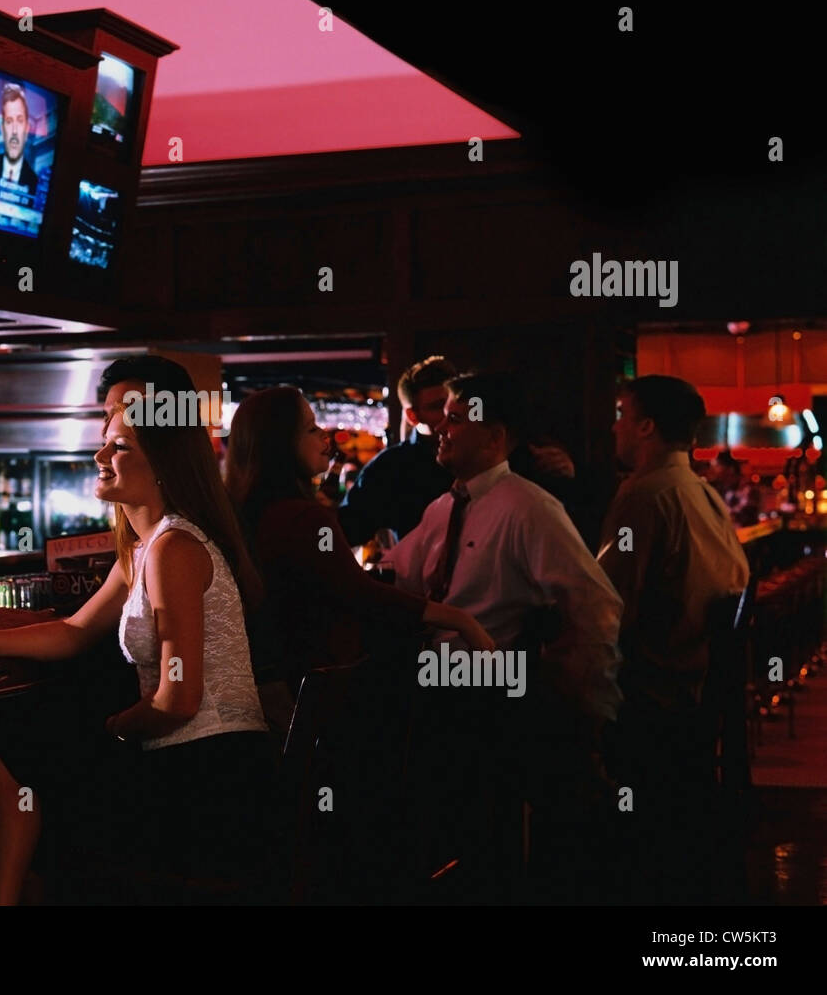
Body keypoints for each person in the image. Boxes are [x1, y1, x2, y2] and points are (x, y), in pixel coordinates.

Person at [0, 361, 278, 904]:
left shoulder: (173, 549)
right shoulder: (146, 545)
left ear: (164, 462)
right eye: (106, 440)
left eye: (120, 446)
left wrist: (114, 730)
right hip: (202, 766)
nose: (99, 456)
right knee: (24, 753)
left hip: (210, 782)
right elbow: (76, 630)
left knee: (16, 755)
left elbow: (178, 701)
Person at [387, 372, 622, 900]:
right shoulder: (443, 508)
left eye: (454, 418)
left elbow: (596, 604)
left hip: (489, 691)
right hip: (437, 683)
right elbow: (396, 577)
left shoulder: (529, 507)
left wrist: (590, 705)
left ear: (495, 437)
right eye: (439, 417)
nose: (439, 429)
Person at [224, 385, 493, 734]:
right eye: (310, 429)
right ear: (281, 446)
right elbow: (361, 594)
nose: (325, 435)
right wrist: (459, 619)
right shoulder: (301, 517)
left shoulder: (245, 511)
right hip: (310, 682)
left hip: (266, 679)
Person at [596, 376, 750, 902]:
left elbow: (607, 607)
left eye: (621, 413)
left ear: (646, 426)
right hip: (695, 691)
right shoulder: (702, 492)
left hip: (652, 700)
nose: (614, 425)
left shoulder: (643, 494)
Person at [339, 355, 579, 550]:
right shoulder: (391, 469)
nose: (446, 419)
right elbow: (347, 530)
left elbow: (557, 523)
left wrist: (565, 475)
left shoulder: (504, 453)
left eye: (452, 408)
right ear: (413, 416)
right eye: (437, 408)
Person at [709, 449, 760, 526]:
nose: (713, 470)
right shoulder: (722, 489)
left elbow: (746, 517)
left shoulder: (748, 489)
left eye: (717, 466)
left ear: (730, 469)